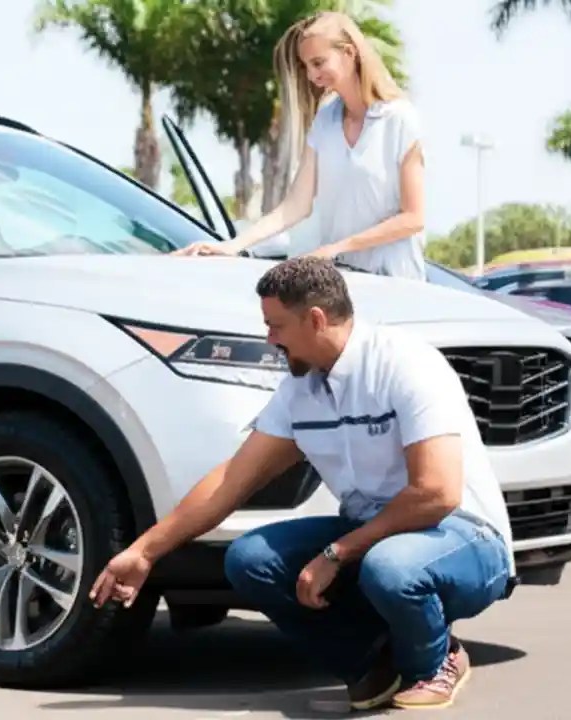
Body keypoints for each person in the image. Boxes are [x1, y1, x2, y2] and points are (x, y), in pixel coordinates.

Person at [90, 257, 515, 711]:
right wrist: (144, 551)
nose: (269, 338)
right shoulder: (300, 390)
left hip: (463, 537)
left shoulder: (405, 364)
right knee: (251, 559)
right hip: (375, 536)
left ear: (315, 319)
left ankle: (436, 660)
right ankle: (372, 664)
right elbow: (231, 481)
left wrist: (338, 552)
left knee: (390, 568)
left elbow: (437, 493)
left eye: (275, 325)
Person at [173, 12, 427, 281]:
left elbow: (413, 218)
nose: (311, 75)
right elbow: (296, 205)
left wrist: (337, 248)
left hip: (398, 285)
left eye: (318, 63)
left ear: (349, 53)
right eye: (306, 66)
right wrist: (232, 246)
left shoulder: (400, 119)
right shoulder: (325, 120)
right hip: (344, 283)